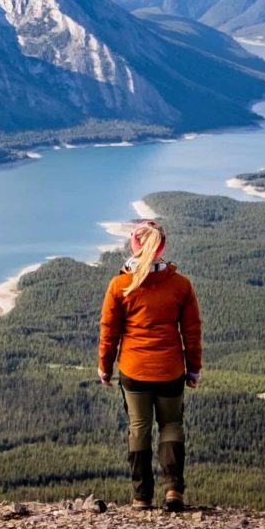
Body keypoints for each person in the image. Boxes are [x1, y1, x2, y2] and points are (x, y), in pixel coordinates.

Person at [97, 217, 202, 512]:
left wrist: (104, 367)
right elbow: (191, 331)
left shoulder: (120, 285)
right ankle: (173, 491)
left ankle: (141, 496)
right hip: (170, 369)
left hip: (134, 369)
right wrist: (193, 369)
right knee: (171, 424)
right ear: (161, 247)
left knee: (139, 426)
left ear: (134, 245)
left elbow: (109, 331)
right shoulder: (180, 285)